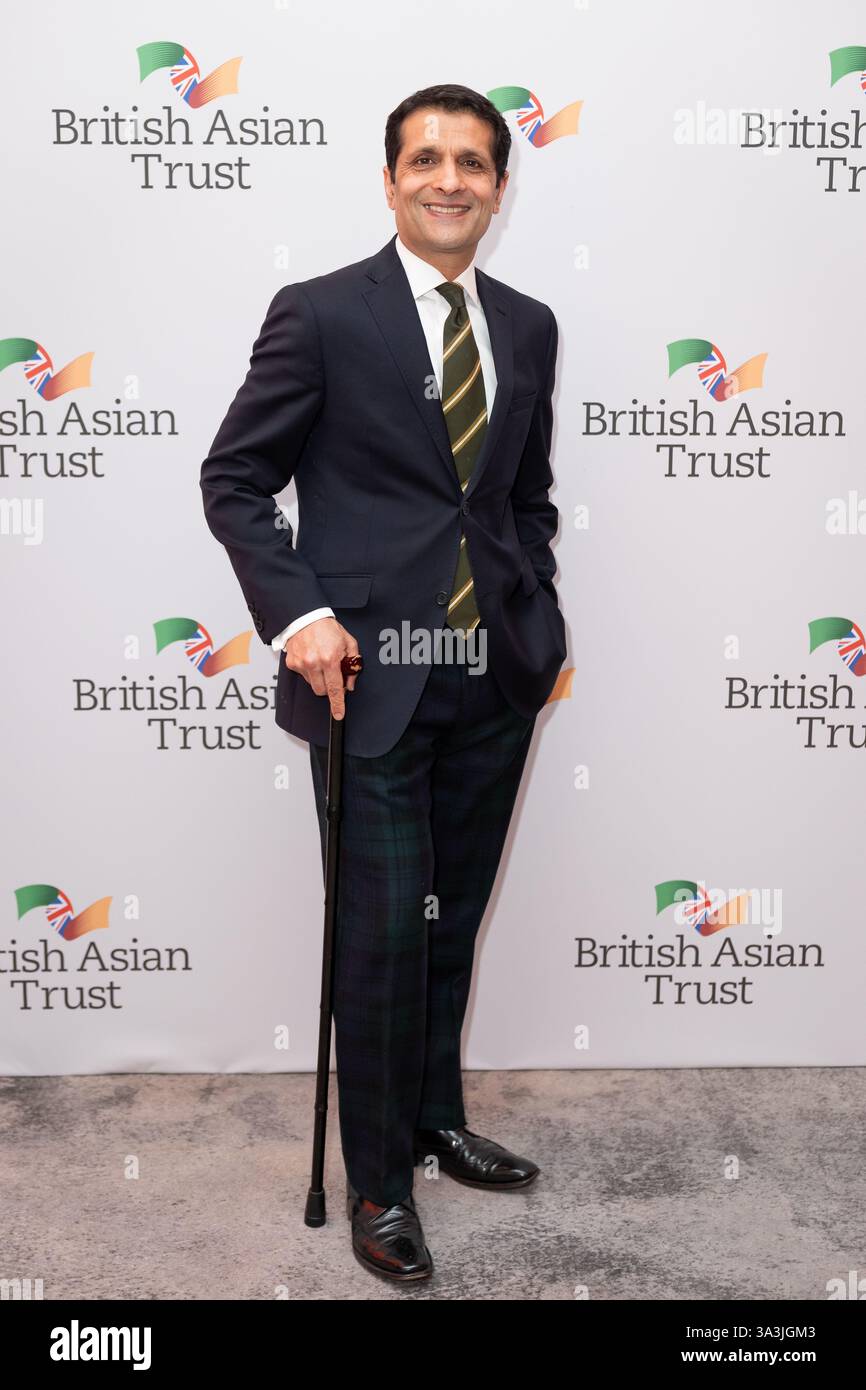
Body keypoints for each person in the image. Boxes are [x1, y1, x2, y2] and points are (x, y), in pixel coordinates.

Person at [200, 83, 566, 1283]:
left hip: (490, 675)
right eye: (425, 159)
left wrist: (537, 621)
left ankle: (431, 1118)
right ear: (389, 178)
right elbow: (235, 480)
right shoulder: (319, 315)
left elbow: (517, 498)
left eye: (471, 161)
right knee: (379, 939)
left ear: (500, 186)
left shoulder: (525, 324)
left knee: (447, 922)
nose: (448, 179)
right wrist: (299, 611)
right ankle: (376, 1186)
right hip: (367, 681)